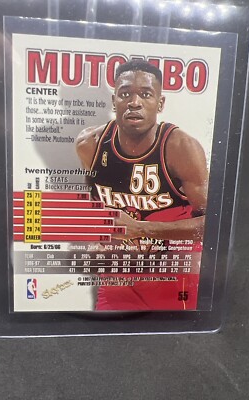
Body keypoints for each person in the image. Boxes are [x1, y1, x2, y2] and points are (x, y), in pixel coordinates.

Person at [76, 59, 208, 310]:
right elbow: (97, 209)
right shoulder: (89, 145)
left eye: (145, 94)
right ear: (114, 100)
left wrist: (141, 229)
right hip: (119, 279)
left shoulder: (181, 148)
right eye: (125, 94)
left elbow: (213, 225)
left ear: (160, 103)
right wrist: (96, 241)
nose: (134, 102)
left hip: (173, 276)